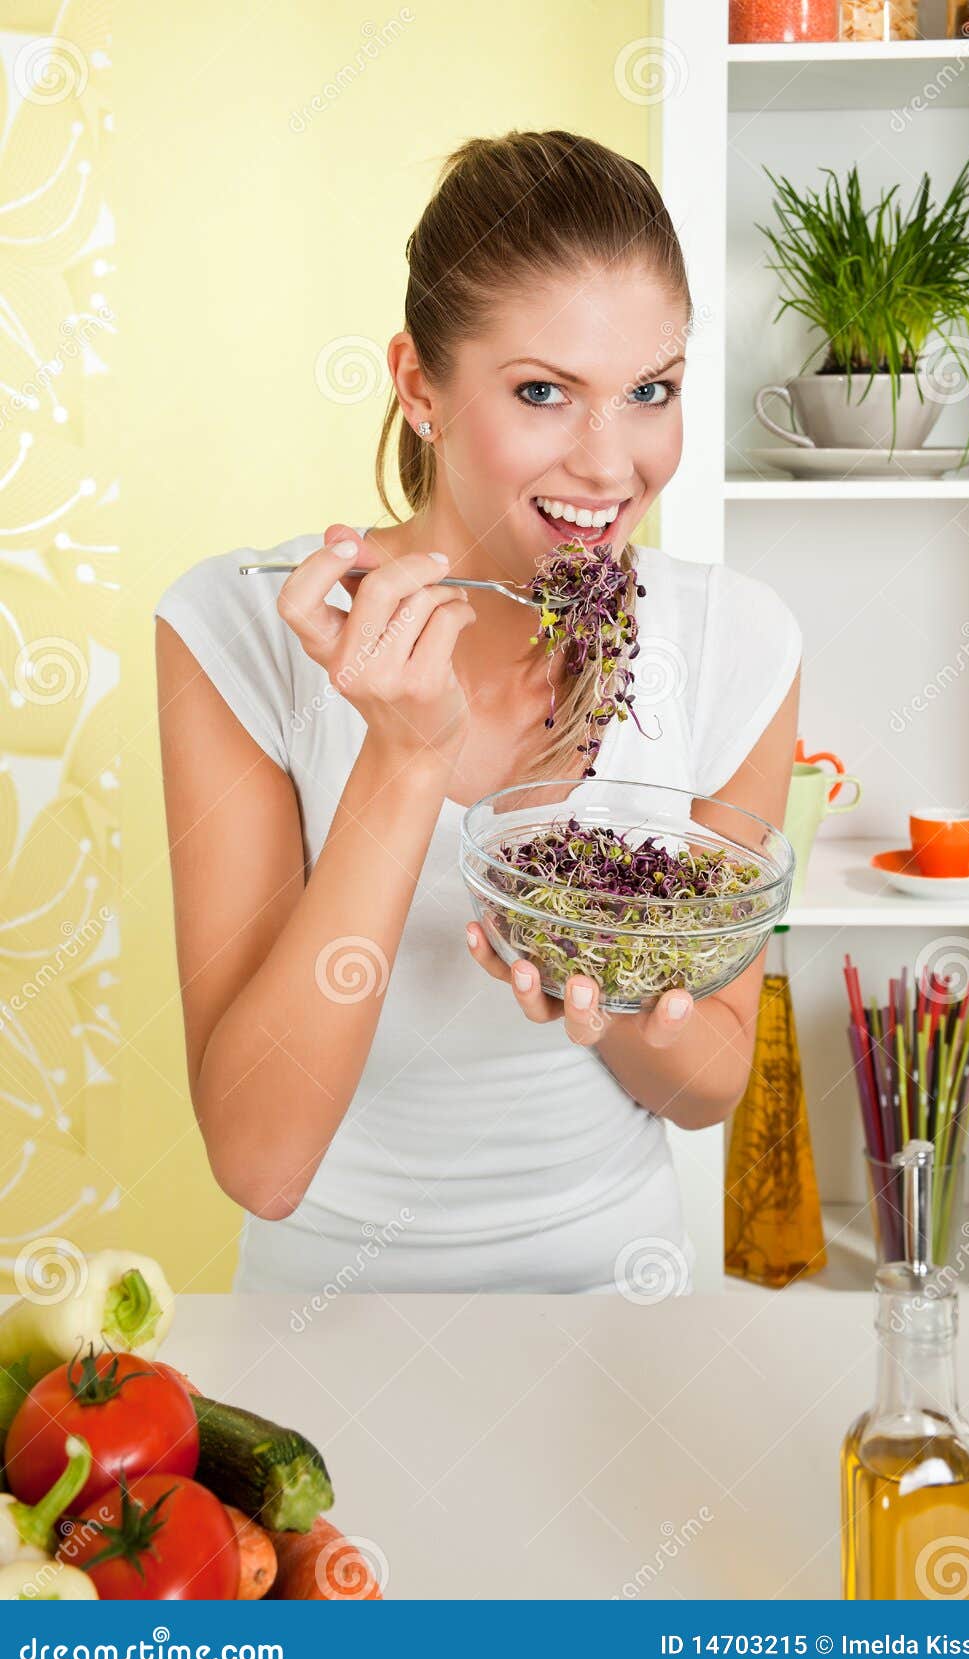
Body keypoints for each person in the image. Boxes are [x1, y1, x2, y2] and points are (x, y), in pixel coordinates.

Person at [153, 130, 801, 1295]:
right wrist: (404, 759)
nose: (610, 465)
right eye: (544, 392)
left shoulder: (734, 641)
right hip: (325, 1315)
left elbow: (709, 1086)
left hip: (623, 1306)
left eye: (648, 391)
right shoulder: (236, 628)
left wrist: (593, 983)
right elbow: (261, 1161)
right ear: (418, 385)